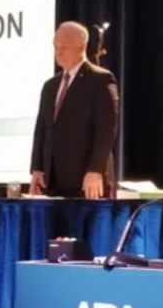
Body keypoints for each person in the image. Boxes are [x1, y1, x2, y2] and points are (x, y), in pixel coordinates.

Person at [29, 21, 120, 199]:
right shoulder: (50, 86)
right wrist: (37, 168)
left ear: (80, 47)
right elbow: (42, 129)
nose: (58, 52)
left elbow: (106, 130)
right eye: (56, 46)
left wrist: (95, 170)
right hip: (52, 181)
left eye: (63, 47)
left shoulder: (100, 79)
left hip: (85, 181)